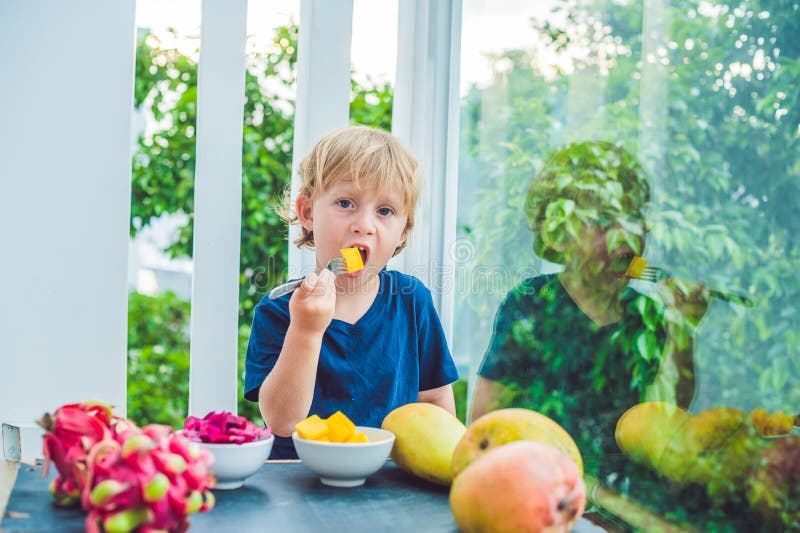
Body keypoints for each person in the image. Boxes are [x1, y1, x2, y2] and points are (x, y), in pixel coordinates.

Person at [470, 141, 709, 475]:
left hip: (623, 492)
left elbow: (670, 413)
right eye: (604, 221)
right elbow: (486, 416)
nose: (625, 237)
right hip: (543, 477)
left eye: (635, 219)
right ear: (561, 237)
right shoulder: (531, 302)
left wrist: (684, 328)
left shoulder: (648, 314)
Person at [245, 126, 459, 459]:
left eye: (385, 211)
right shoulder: (279, 309)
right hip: (298, 481)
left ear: (403, 231)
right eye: (346, 203)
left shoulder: (411, 301)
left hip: (389, 482)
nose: (364, 225)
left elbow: (434, 402)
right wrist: (306, 329)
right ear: (308, 213)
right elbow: (283, 421)